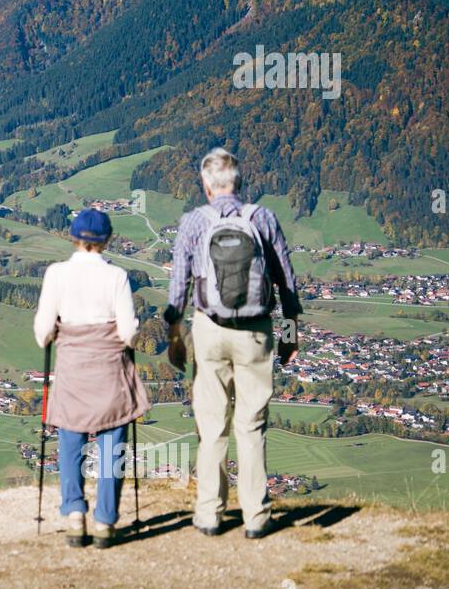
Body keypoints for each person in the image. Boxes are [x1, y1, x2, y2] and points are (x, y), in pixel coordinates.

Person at [164, 147, 302, 539]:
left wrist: (176, 337)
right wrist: (290, 334)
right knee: (252, 424)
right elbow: (286, 282)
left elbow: (178, 288)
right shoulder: (262, 218)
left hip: (209, 329)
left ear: (206, 186)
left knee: (212, 424)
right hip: (256, 331)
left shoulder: (194, 222)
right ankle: (256, 517)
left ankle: (209, 513)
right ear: (238, 183)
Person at [33, 208, 149, 548]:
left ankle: (74, 514)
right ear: (107, 240)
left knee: (71, 442)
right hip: (109, 370)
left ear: (73, 237)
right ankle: (105, 522)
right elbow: (129, 333)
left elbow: (43, 333)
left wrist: (56, 333)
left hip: (73, 371)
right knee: (113, 446)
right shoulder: (117, 277)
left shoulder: (56, 274)